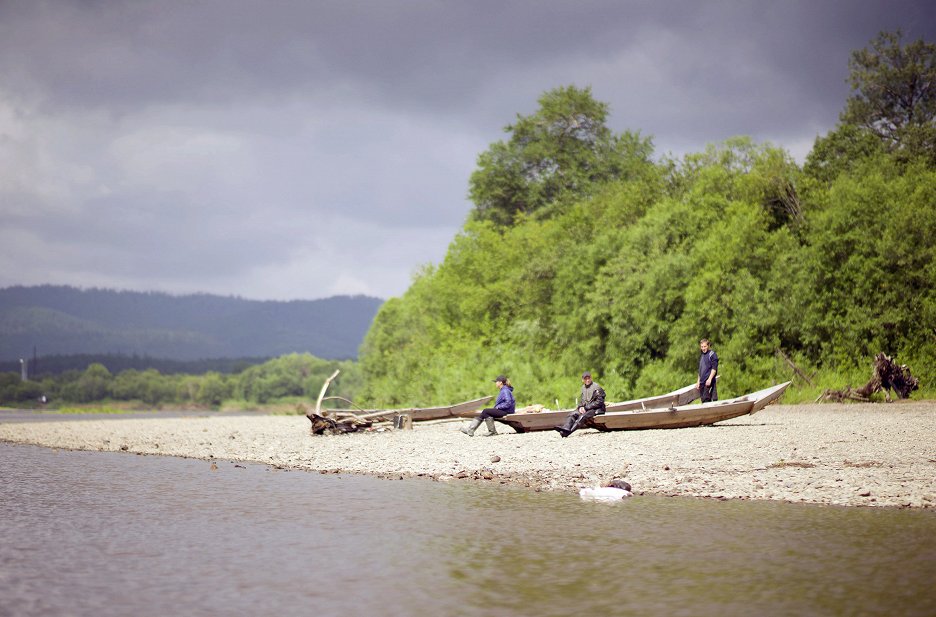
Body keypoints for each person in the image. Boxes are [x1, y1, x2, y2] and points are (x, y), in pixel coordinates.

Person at [554, 371, 606, 437]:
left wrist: (586, 408)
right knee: (572, 414)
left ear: (591, 378)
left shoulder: (597, 387)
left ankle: (568, 432)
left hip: (597, 409)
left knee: (582, 417)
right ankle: (566, 428)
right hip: (587, 408)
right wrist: (580, 407)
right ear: (582, 380)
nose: (587, 380)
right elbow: (583, 401)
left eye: (588, 378)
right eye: (585, 379)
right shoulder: (583, 388)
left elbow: (599, 402)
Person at [697, 338, 718, 402]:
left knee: (710, 401)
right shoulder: (702, 355)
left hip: (709, 383)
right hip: (702, 384)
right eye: (702, 347)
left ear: (708, 346)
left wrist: (710, 379)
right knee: (703, 401)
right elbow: (700, 370)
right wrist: (698, 381)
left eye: (705, 346)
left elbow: (714, 368)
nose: (703, 348)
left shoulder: (712, 354)